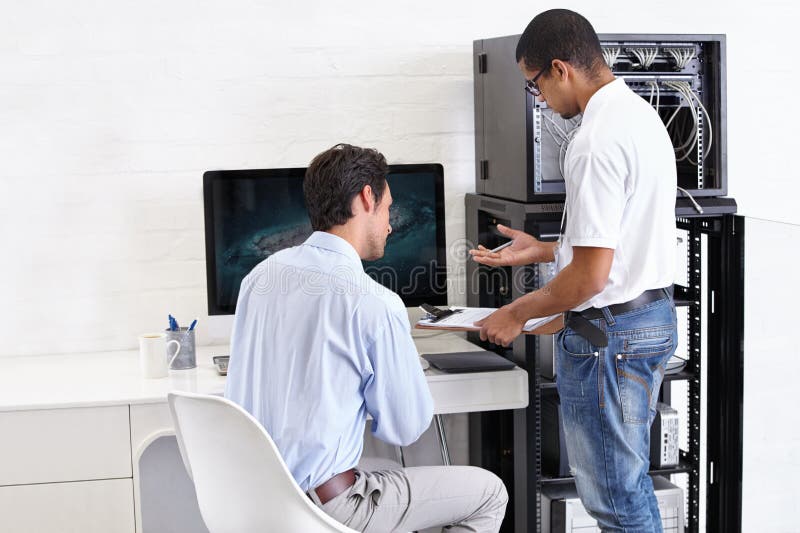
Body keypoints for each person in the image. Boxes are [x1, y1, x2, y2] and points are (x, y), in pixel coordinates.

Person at [226, 143, 508, 533]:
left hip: (256, 502)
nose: (391, 225)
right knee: (490, 493)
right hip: (327, 511)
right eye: (388, 208)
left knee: (388, 469)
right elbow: (404, 428)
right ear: (365, 198)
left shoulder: (258, 278)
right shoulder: (374, 303)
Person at [470, 9, 678, 532]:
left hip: (610, 337)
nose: (538, 99)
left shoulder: (592, 143)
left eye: (535, 85)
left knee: (613, 498)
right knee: (630, 487)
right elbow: (622, 239)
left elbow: (590, 279)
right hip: (651, 318)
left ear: (560, 69)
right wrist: (541, 251)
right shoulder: (640, 116)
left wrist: (515, 314)